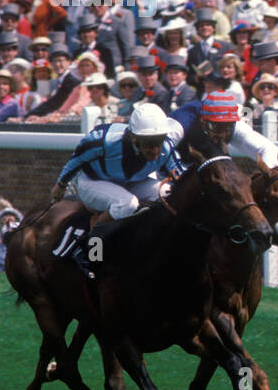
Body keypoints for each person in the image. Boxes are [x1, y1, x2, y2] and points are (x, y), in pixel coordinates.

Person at [51, 103, 187, 271]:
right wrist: (61, 184)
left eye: (159, 140)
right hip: (93, 181)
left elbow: (181, 177)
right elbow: (77, 159)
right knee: (126, 203)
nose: (155, 149)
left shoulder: (167, 147)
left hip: (132, 182)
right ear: (133, 138)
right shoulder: (104, 140)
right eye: (148, 142)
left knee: (169, 194)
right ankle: (88, 251)